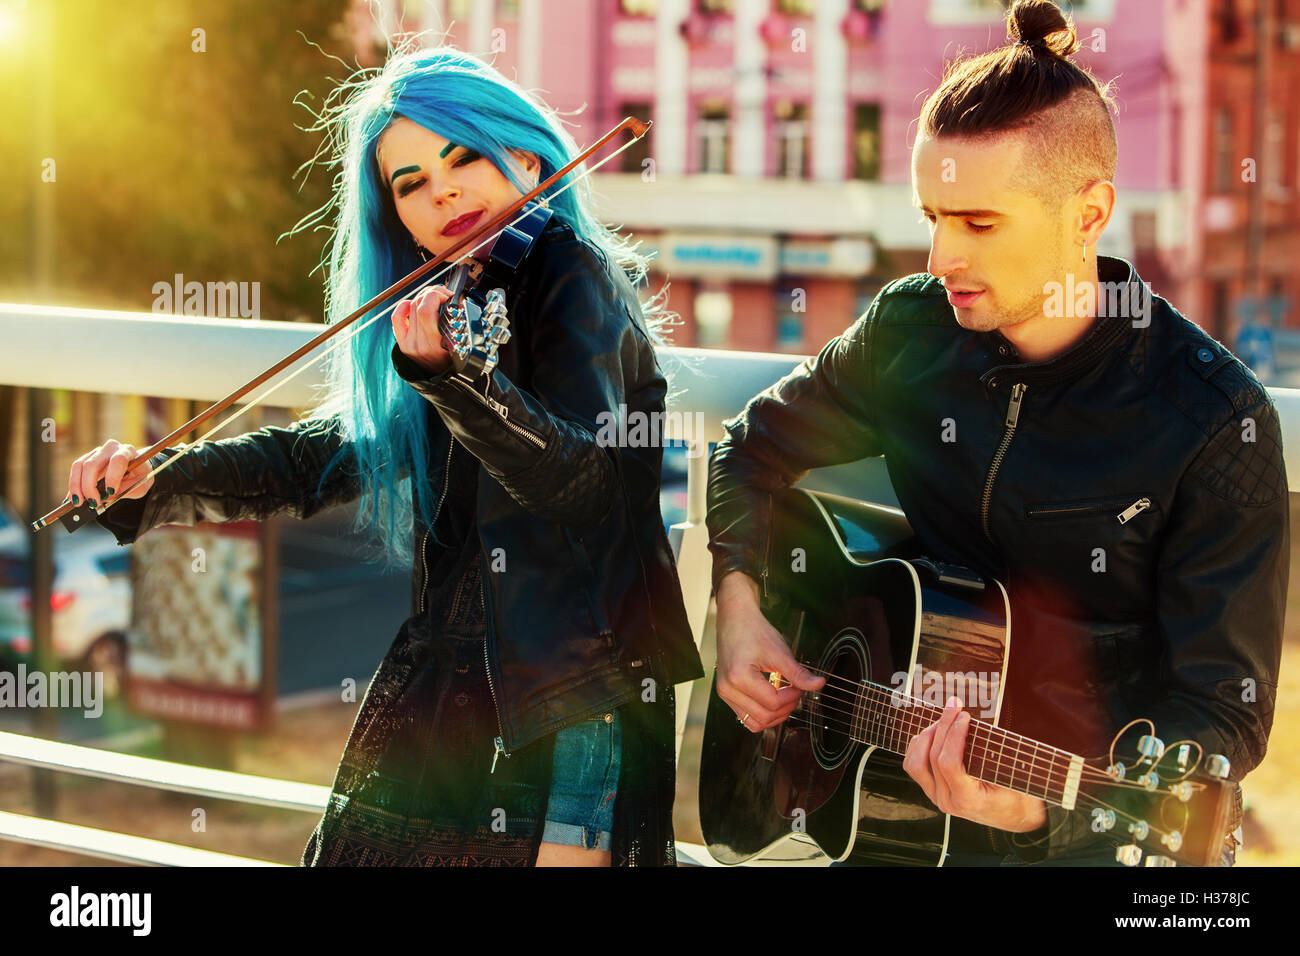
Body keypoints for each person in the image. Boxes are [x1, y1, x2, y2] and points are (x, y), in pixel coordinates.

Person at [72, 43, 703, 866]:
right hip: (450, 678)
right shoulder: (453, 305)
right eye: (410, 185)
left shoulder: (569, 275)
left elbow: (587, 490)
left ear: (522, 151)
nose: (441, 191)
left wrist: (458, 382)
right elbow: (321, 458)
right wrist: (157, 481)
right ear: (397, 218)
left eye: (462, 157)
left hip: (570, 693)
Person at [706, 0, 1288, 866]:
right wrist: (741, 608)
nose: (942, 259)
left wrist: (1040, 815)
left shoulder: (1213, 422)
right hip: (885, 816)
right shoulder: (911, 331)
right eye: (934, 216)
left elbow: (1223, 714)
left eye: (979, 223)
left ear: (1090, 214)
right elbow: (751, 447)